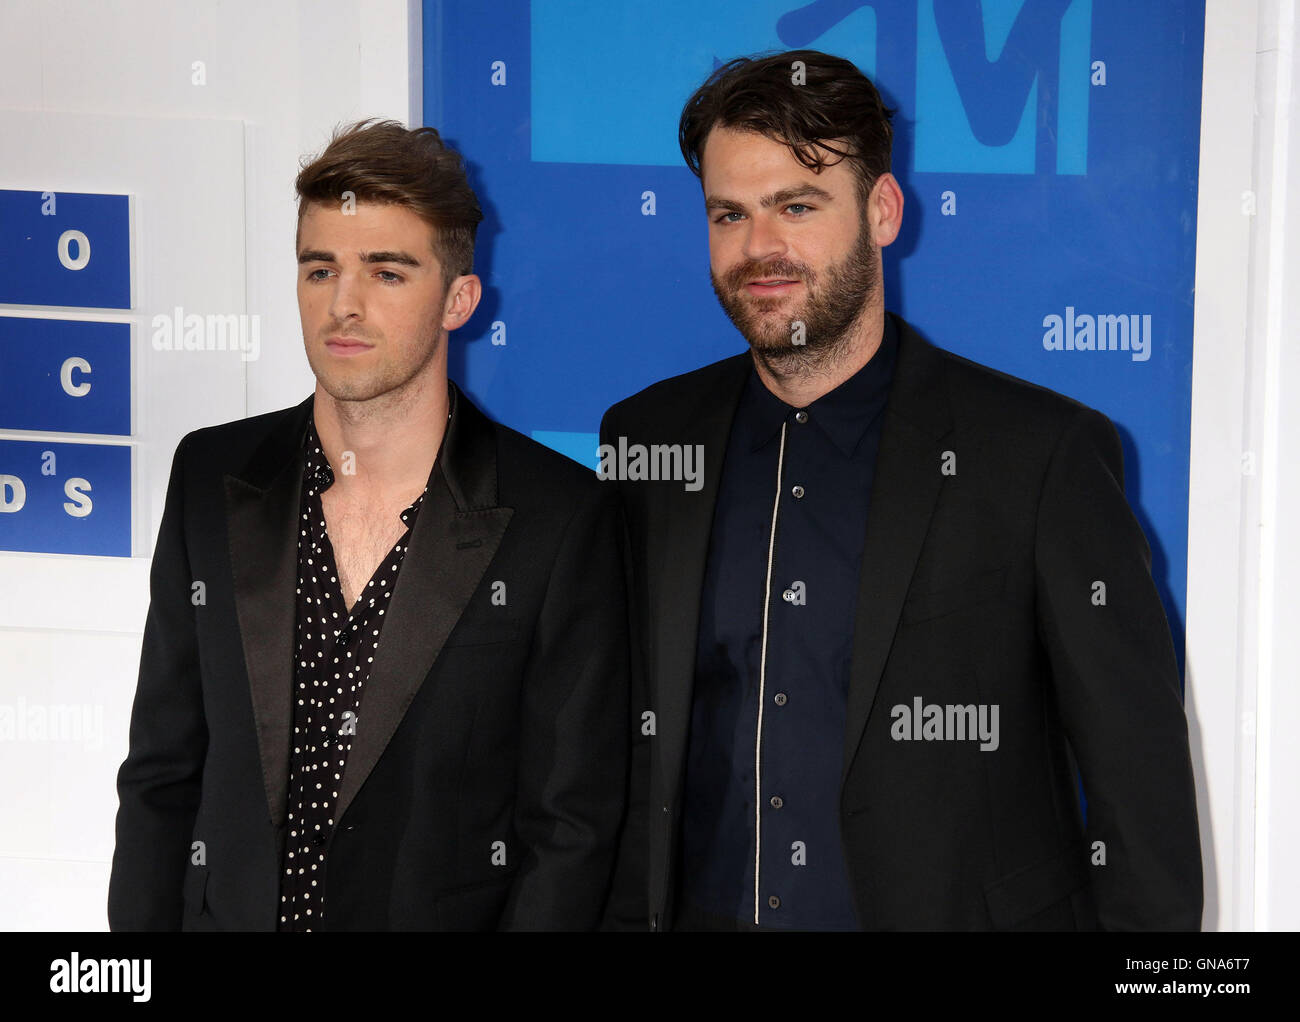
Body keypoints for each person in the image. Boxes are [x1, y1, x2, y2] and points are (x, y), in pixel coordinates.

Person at [599, 51, 1201, 931]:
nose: (761, 247)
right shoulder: (648, 443)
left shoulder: (1040, 455)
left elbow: (1137, 790)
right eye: (731, 214)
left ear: (881, 211)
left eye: (797, 207)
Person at [109, 119, 628, 931]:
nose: (343, 305)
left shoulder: (557, 517)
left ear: (459, 299)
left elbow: (569, 829)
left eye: (387, 273)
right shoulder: (212, 477)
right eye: (321, 269)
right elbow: (163, 772)